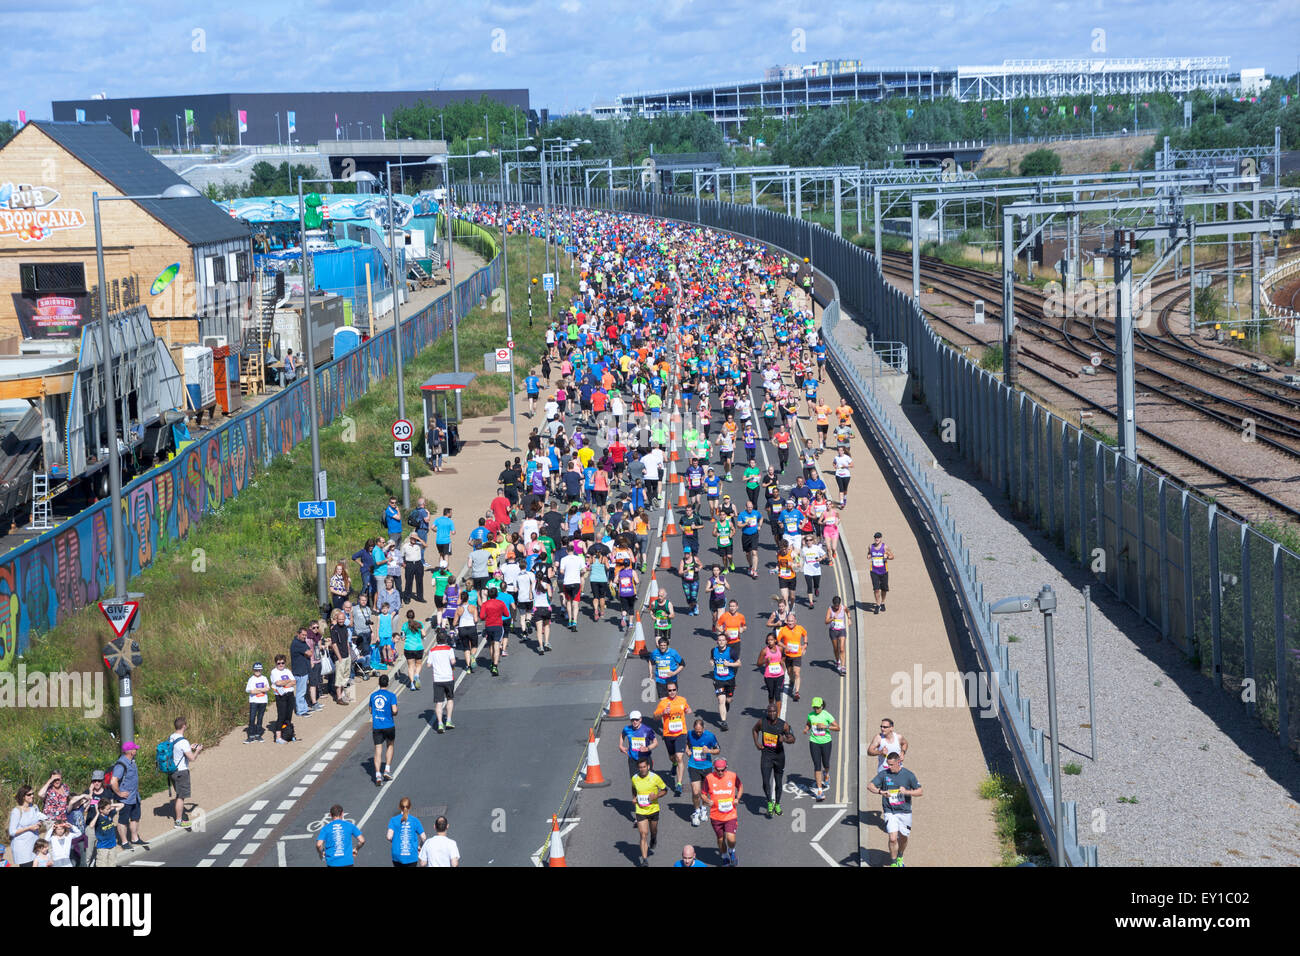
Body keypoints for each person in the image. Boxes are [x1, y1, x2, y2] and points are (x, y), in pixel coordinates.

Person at [867, 752, 923, 867]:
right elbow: (870, 786)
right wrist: (880, 792)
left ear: (898, 762)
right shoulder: (884, 775)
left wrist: (907, 792)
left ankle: (900, 856)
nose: (889, 767)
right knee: (893, 838)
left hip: (905, 812)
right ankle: (893, 863)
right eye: (888, 764)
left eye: (892, 765)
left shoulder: (908, 775)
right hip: (890, 811)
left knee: (903, 837)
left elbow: (920, 791)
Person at [752, 701, 796, 818]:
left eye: (774, 711)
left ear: (777, 712)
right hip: (766, 755)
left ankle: (777, 804)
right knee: (766, 782)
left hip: (779, 756)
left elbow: (792, 739)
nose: (771, 713)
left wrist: (785, 740)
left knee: (778, 782)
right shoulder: (762, 722)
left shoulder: (784, 725)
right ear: (767, 712)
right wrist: (757, 743)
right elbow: (755, 730)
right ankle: (769, 802)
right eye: (769, 711)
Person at [700, 757, 742, 867]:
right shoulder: (709, 778)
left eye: (722, 770)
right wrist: (707, 800)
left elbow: (740, 786)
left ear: (726, 768)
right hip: (716, 816)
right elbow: (703, 793)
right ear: (714, 769)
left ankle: (732, 851)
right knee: (720, 839)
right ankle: (724, 856)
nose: (720, 772)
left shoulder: (732, 776)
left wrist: (738, 798)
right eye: (717, 770)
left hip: (730, 814)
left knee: (731, 839)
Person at [652, 682, 692, 798]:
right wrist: (662, 713)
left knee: (680, 757)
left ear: (677, 690)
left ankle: (678, 784)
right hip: (668, 734)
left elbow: (687, 708)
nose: (672, 692)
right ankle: (673, 763)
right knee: (672, 757)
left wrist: (688, 710)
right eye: (669, 690)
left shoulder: (682, 700)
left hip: (681, 733)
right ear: (667, 691)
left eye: (674, 690)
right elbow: (654, 716)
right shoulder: (663, 703)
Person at [630, 757, 668, 867]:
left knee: (653, 830)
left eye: (644, 767)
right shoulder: (635, 778)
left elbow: (665, 790)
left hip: (653, 810)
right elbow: (633, 788)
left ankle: (654, 838)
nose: (642, 769)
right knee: (643, 834)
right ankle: (645, 860)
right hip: (640, 810)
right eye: (640, 767)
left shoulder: (655, 777)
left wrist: (656, 796)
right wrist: (634, 798)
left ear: (648, 767)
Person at [684, 717, 721, 827]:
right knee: (696, 792)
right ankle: (696, 812)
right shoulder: (690, 734)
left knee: (705, 791)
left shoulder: (710, 736)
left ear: (704, 728)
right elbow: (686, 743)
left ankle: (704, 808)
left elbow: (718, 750)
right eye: (696, 731)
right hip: (693, 766)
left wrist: (709, 750)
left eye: (700, 731)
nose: (698, 733)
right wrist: (687, 750)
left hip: (707, 767)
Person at [168, 717, 203, 829]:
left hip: (172, 771)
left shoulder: (171, 737)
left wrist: (189, 747)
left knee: (179, 794)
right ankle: (179, 821)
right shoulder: (183, 741)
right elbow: (192, 758)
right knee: (180, 796)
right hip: (181, 772)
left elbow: (177, 751)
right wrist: (197, 750)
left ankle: (179, 819)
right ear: (184, 726)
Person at [108, 742, 144, 849]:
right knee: (123, 820)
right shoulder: (121, 764)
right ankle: (124, 842)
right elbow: (113, 781)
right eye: (135, 749)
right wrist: (119, 793)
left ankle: (135, 839)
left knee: (135, 818)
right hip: (125, 799)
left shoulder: (132, 762)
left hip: (135, 797)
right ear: (130, 751)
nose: (136, 750)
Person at [804, 698, 840, 802]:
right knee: (817, 765)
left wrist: (826, 726)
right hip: (814, 742)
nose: (816, 709)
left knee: (826, 764)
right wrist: (806, 729)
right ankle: (820, 791)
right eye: (814, 707)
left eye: (818, 707)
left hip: (826, 742)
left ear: (822, 706)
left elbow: (838, 728)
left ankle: (827, 774)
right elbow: (808, 723)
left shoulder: (826, 715)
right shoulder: (810, 715)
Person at [369, 674, 398, 786]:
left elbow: (370, 710)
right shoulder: (391, 696)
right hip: (389, 725)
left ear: (379, 683)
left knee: (378, 750)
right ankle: (386, 769)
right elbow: (394, 710)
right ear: (388, 683)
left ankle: (377, 775)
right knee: (390, 745)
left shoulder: (373, 696)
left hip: (377, 726)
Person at [426, 630, 457, 732]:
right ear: (446, 639)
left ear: (437, 640)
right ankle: (448, 720)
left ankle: (439, 724)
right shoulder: (449, 649)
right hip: (448, 677)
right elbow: (453, 661)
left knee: (439, 702)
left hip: (438, 679)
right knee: (450, 699)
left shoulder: (432, 650)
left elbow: (428, 665)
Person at [7, 786, 46, 866]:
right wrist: (29, 828)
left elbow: (39, 818)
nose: (32, 796)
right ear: (23, 796)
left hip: (35, 846)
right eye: (29, 794)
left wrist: (39, 823)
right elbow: (12, 832)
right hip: (22, 849)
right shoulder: (17, 811)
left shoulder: (34, 807)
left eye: (32, 794)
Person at [618, 711, 659, 781]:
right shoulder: (627, 729)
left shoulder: (647, 730)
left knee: (647, 780)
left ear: (640, 719)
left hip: (645, 759)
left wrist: (647, 748)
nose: (634, 722)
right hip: (632, 759)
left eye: (636, 720)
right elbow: (622, 735)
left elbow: (655, 743)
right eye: (632, 720)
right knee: (635, 781)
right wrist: (620, 745)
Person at [387, 797, 425, 867]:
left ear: (399, 807)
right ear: (410, 807)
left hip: (397, 855)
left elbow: (389, 837)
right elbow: (423, 837)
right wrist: (419, 846)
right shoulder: (415, 820)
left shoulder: (393, 820)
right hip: (411, 855)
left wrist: (395, 841)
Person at [479, 587, 509, 675]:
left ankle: (492, 662)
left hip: (489, 626)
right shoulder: (501, 603)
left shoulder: (485, 604)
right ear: (496, 594)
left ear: (488, 594)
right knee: (497, 645)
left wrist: (487, 616)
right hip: (498, 626)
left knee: (491, 645)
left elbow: (481, 616)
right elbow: (506, 614)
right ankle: (495, 666)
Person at [779, 612, 808, 701]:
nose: (790, 623)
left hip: (797, 655)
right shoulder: (783, 629)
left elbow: (805, 635)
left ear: (795, 621)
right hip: (788, 655)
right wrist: (785, 647)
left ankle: (796, 692)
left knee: (797, 673)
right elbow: (778, 641)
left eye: (792, 621)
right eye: (789, 621)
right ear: (786, 621)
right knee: (790, 673)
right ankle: (792, 680)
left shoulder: (800, 628)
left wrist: (805, 645)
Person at [270, 654, 296, 744]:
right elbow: (278, 683)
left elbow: (294, 681)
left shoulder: (288, 670)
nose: (281, 665)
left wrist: (285, 683)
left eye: (282, 663)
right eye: (279, 663)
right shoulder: (274, 672)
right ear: (276, 663)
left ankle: (287, 734)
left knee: (288, 715)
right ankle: (278, 737)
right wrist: (288, 681)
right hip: (281, 695)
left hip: (290, 694)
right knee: (281, 716)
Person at [756, 633, 786, 705]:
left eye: (771, 640)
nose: (770, 641)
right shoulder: (764, 651)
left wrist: (782, 661)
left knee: (777, 695)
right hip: (769, 676)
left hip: (780, 675)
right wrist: (766, 661)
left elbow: (784, 655)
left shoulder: (780, 648)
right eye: (768, 640)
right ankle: (771, 710)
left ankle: (778, 715)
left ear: (775, 640)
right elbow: (758, 664)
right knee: (771, 694)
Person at [868, 532, 895, 612]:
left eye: (878, 538)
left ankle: (882, 602)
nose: (877, 539)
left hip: (883, 571)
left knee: (884, 589)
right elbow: (869, 554)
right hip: (874, 571)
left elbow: (892, 556)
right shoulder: (870, 546)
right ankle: (878, 604)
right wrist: (869, 556)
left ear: (881, 538)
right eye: (875, 537)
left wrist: (887, 557)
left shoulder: (885, 547)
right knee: (876, 589)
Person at [244, 662, 270, 743]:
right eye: (256, 670)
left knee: (260, 718)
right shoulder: (251, 679)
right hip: (254, 701)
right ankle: (251, 736)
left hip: (263, 701)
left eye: (259, 670)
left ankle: (258, 735)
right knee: (252, 718)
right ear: (253, 670)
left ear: (261, 670)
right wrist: (262, 689)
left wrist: (257, 690)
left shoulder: (264, 678)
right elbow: (250, 691)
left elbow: (267, 688)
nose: (257, 671)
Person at [290, 626, 313, 717]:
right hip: (300, 671)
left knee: (303, 691)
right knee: (300, 692)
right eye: (303, 635)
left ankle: (304, 708)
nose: (304, 637)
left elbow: (309, 651)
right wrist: (308, 653)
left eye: (305, 635)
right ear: (298, 634)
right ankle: (300, 711)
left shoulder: (302, 643)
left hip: (304, 670)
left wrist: (308, 652)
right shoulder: (296, 643)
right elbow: (309, 653)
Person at [825, 596, 850, 676]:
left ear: (839, 604)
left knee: (842, 649)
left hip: (841, 630)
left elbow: (848, 611)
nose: (836, 607)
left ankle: (843, 667)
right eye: (835, 606)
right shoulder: (830, 609)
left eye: (838, 605)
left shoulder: (843, 608)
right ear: (833, 604)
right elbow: (826, 621)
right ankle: (837, 661)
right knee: (836, 648)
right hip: (833, 631)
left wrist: (849, 618)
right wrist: (832, 618)